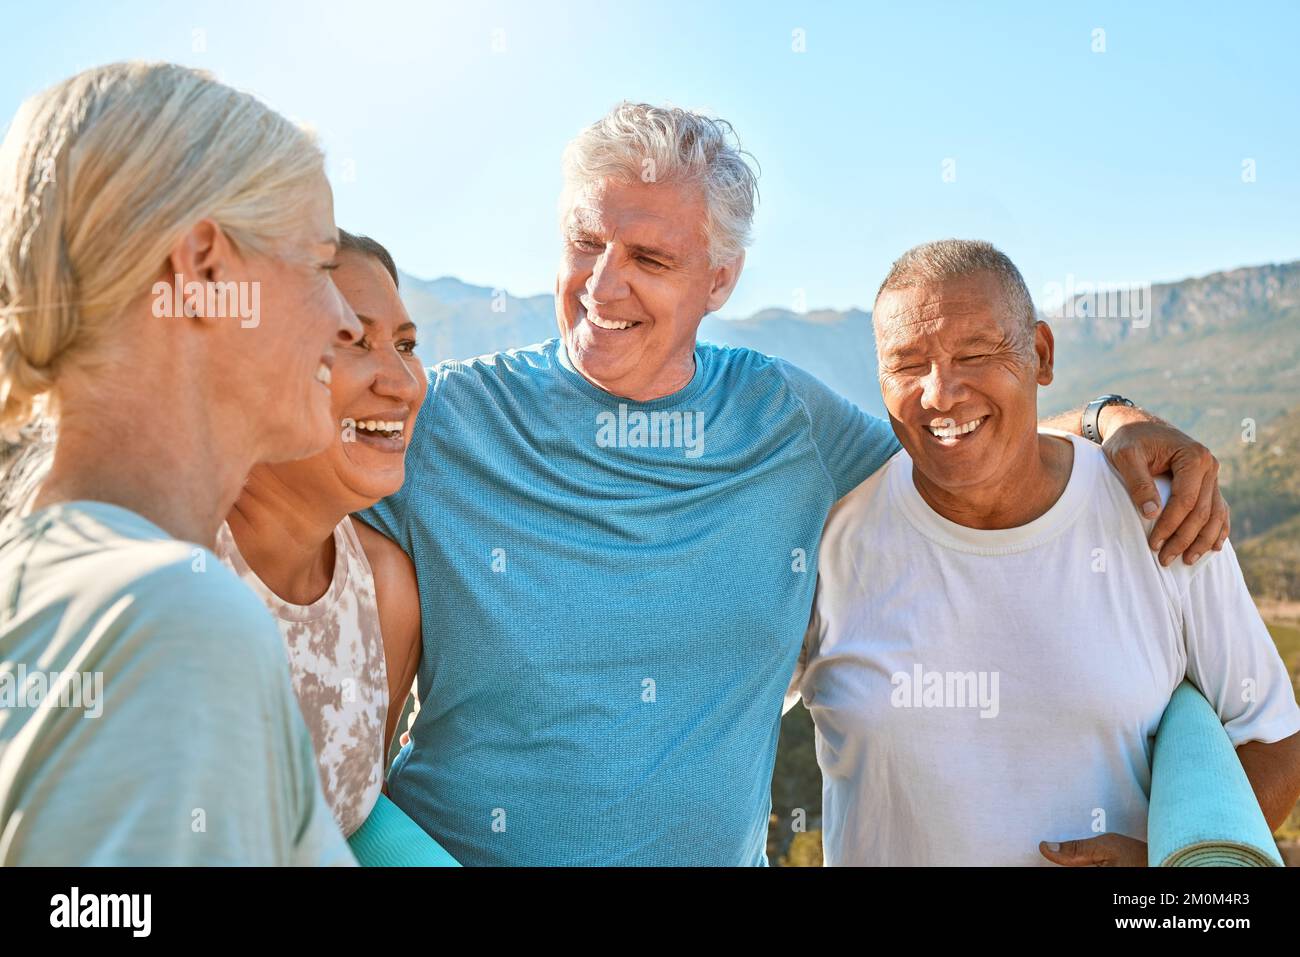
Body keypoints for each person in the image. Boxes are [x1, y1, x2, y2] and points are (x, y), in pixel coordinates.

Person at [359, 102, 1229, 866]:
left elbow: (956, 442)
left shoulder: (783, 417)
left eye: (650, 258)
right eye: (586, 243)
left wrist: (1108, 419)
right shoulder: (440, 420)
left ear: (720, 279)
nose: (603, 283)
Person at [786, 239, 1300, 866]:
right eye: (907, 364)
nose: (940, 394)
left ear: (1042, 354)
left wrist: (1164, 868)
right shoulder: (825, 538)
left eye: (975, 354)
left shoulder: (1161, 513)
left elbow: (1271, 738)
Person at [0, 62, 361, 865]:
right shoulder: (170, 621)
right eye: (320, 264)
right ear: (203, 269)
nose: (345, 320)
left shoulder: (59, 584)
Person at [214, 229, 428, 838]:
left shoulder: (385, 593)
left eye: (406, 345)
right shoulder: (152, 567)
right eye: (352, 341)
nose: (402, 383)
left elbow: (353, 823)